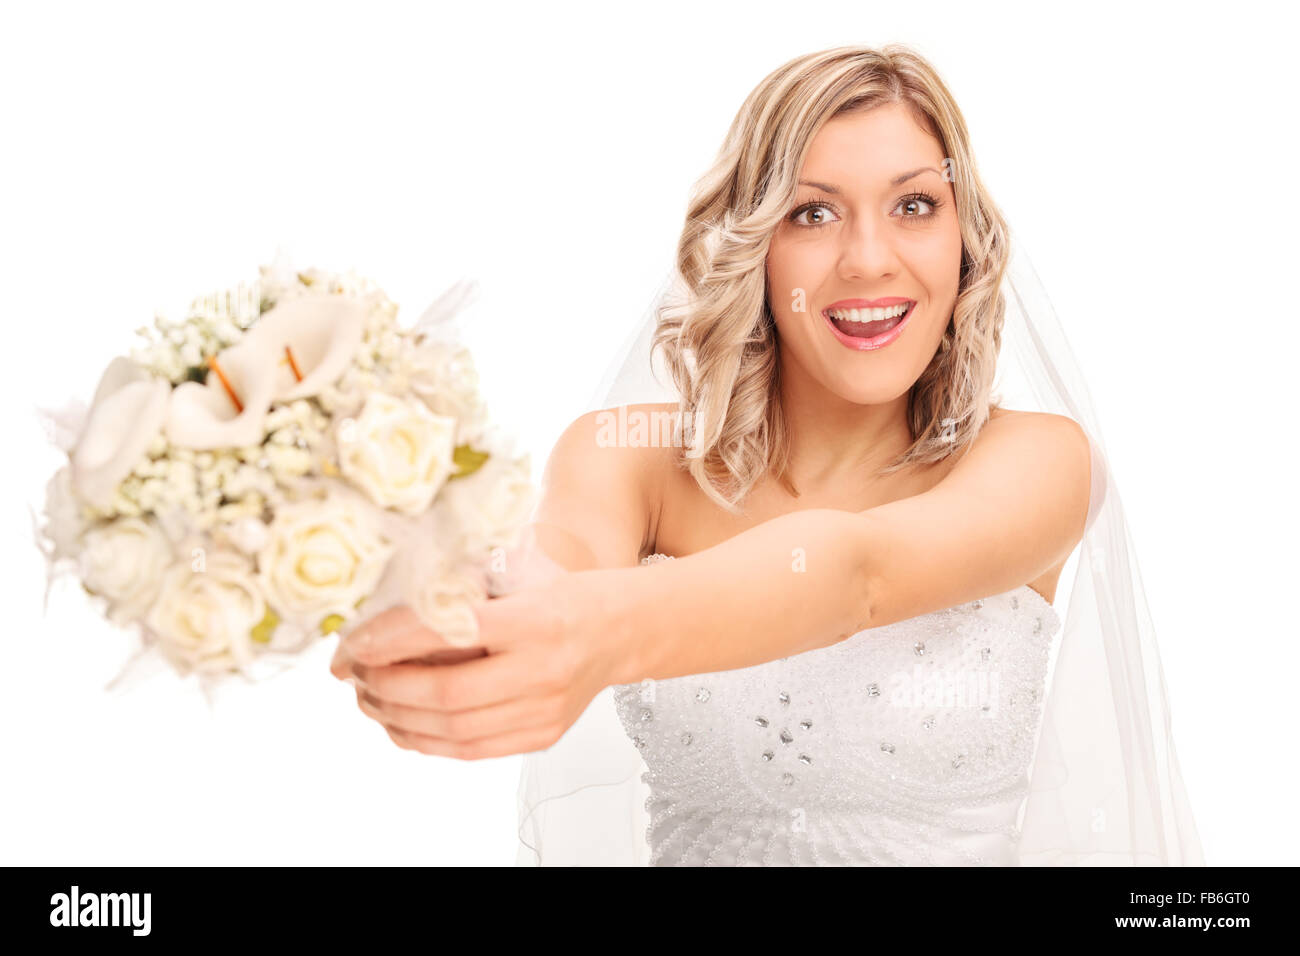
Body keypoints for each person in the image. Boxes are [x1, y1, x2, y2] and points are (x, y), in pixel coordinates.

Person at [331, 44, 1203, 866]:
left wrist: (592, 630)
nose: (868, 260)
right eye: (813, 212)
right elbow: (553, 573)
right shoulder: (626, 459)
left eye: (914, 205)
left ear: (964, 239)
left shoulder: (1040, 462)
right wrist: (433, 587)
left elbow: (855, 574)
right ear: (754, 243)